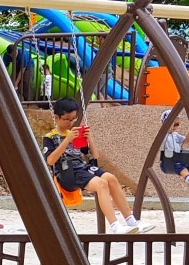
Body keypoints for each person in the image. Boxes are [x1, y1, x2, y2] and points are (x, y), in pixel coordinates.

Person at [42, 98, 153, 234]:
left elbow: (94, 156)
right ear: (57, 118)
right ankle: (115, 226)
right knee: (101, 184)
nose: (71, 123)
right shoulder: (50, 137)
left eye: (73, 119)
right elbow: (50, 160)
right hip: (67, 173)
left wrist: (89, 139)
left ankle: (130, 220)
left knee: (111, 178)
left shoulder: (76, 133)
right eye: (67, 119)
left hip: (82, 167)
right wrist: (67, 140)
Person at [158, 109, 189, 192]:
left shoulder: (175, 135)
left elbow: (187, 142)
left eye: (177, 124)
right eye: (174, 124)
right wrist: (168, 125)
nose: (176, 127)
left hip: (177, 161)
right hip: (167, 162)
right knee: (182, 169)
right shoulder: (163, 135)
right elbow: (162, 134)